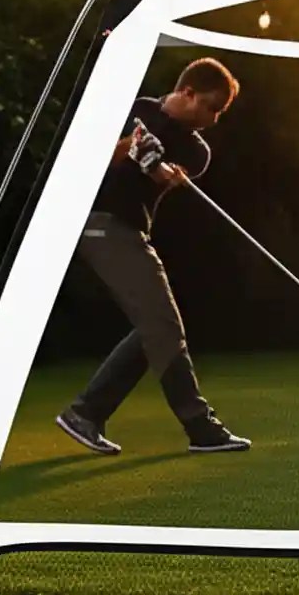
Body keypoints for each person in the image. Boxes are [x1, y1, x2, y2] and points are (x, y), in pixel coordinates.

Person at [56, 57, 251, 456]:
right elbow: (84, 161)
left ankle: (86, 413)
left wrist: (163, 173)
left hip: (130, 229)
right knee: (163, 324)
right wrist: (130, 147)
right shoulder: (136, 109)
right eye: (210, 107)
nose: (212, 119)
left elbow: (168, 173)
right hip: (99, 222)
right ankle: (200, 427)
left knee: (155, 328)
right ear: (187, 92)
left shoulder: (195, 149)